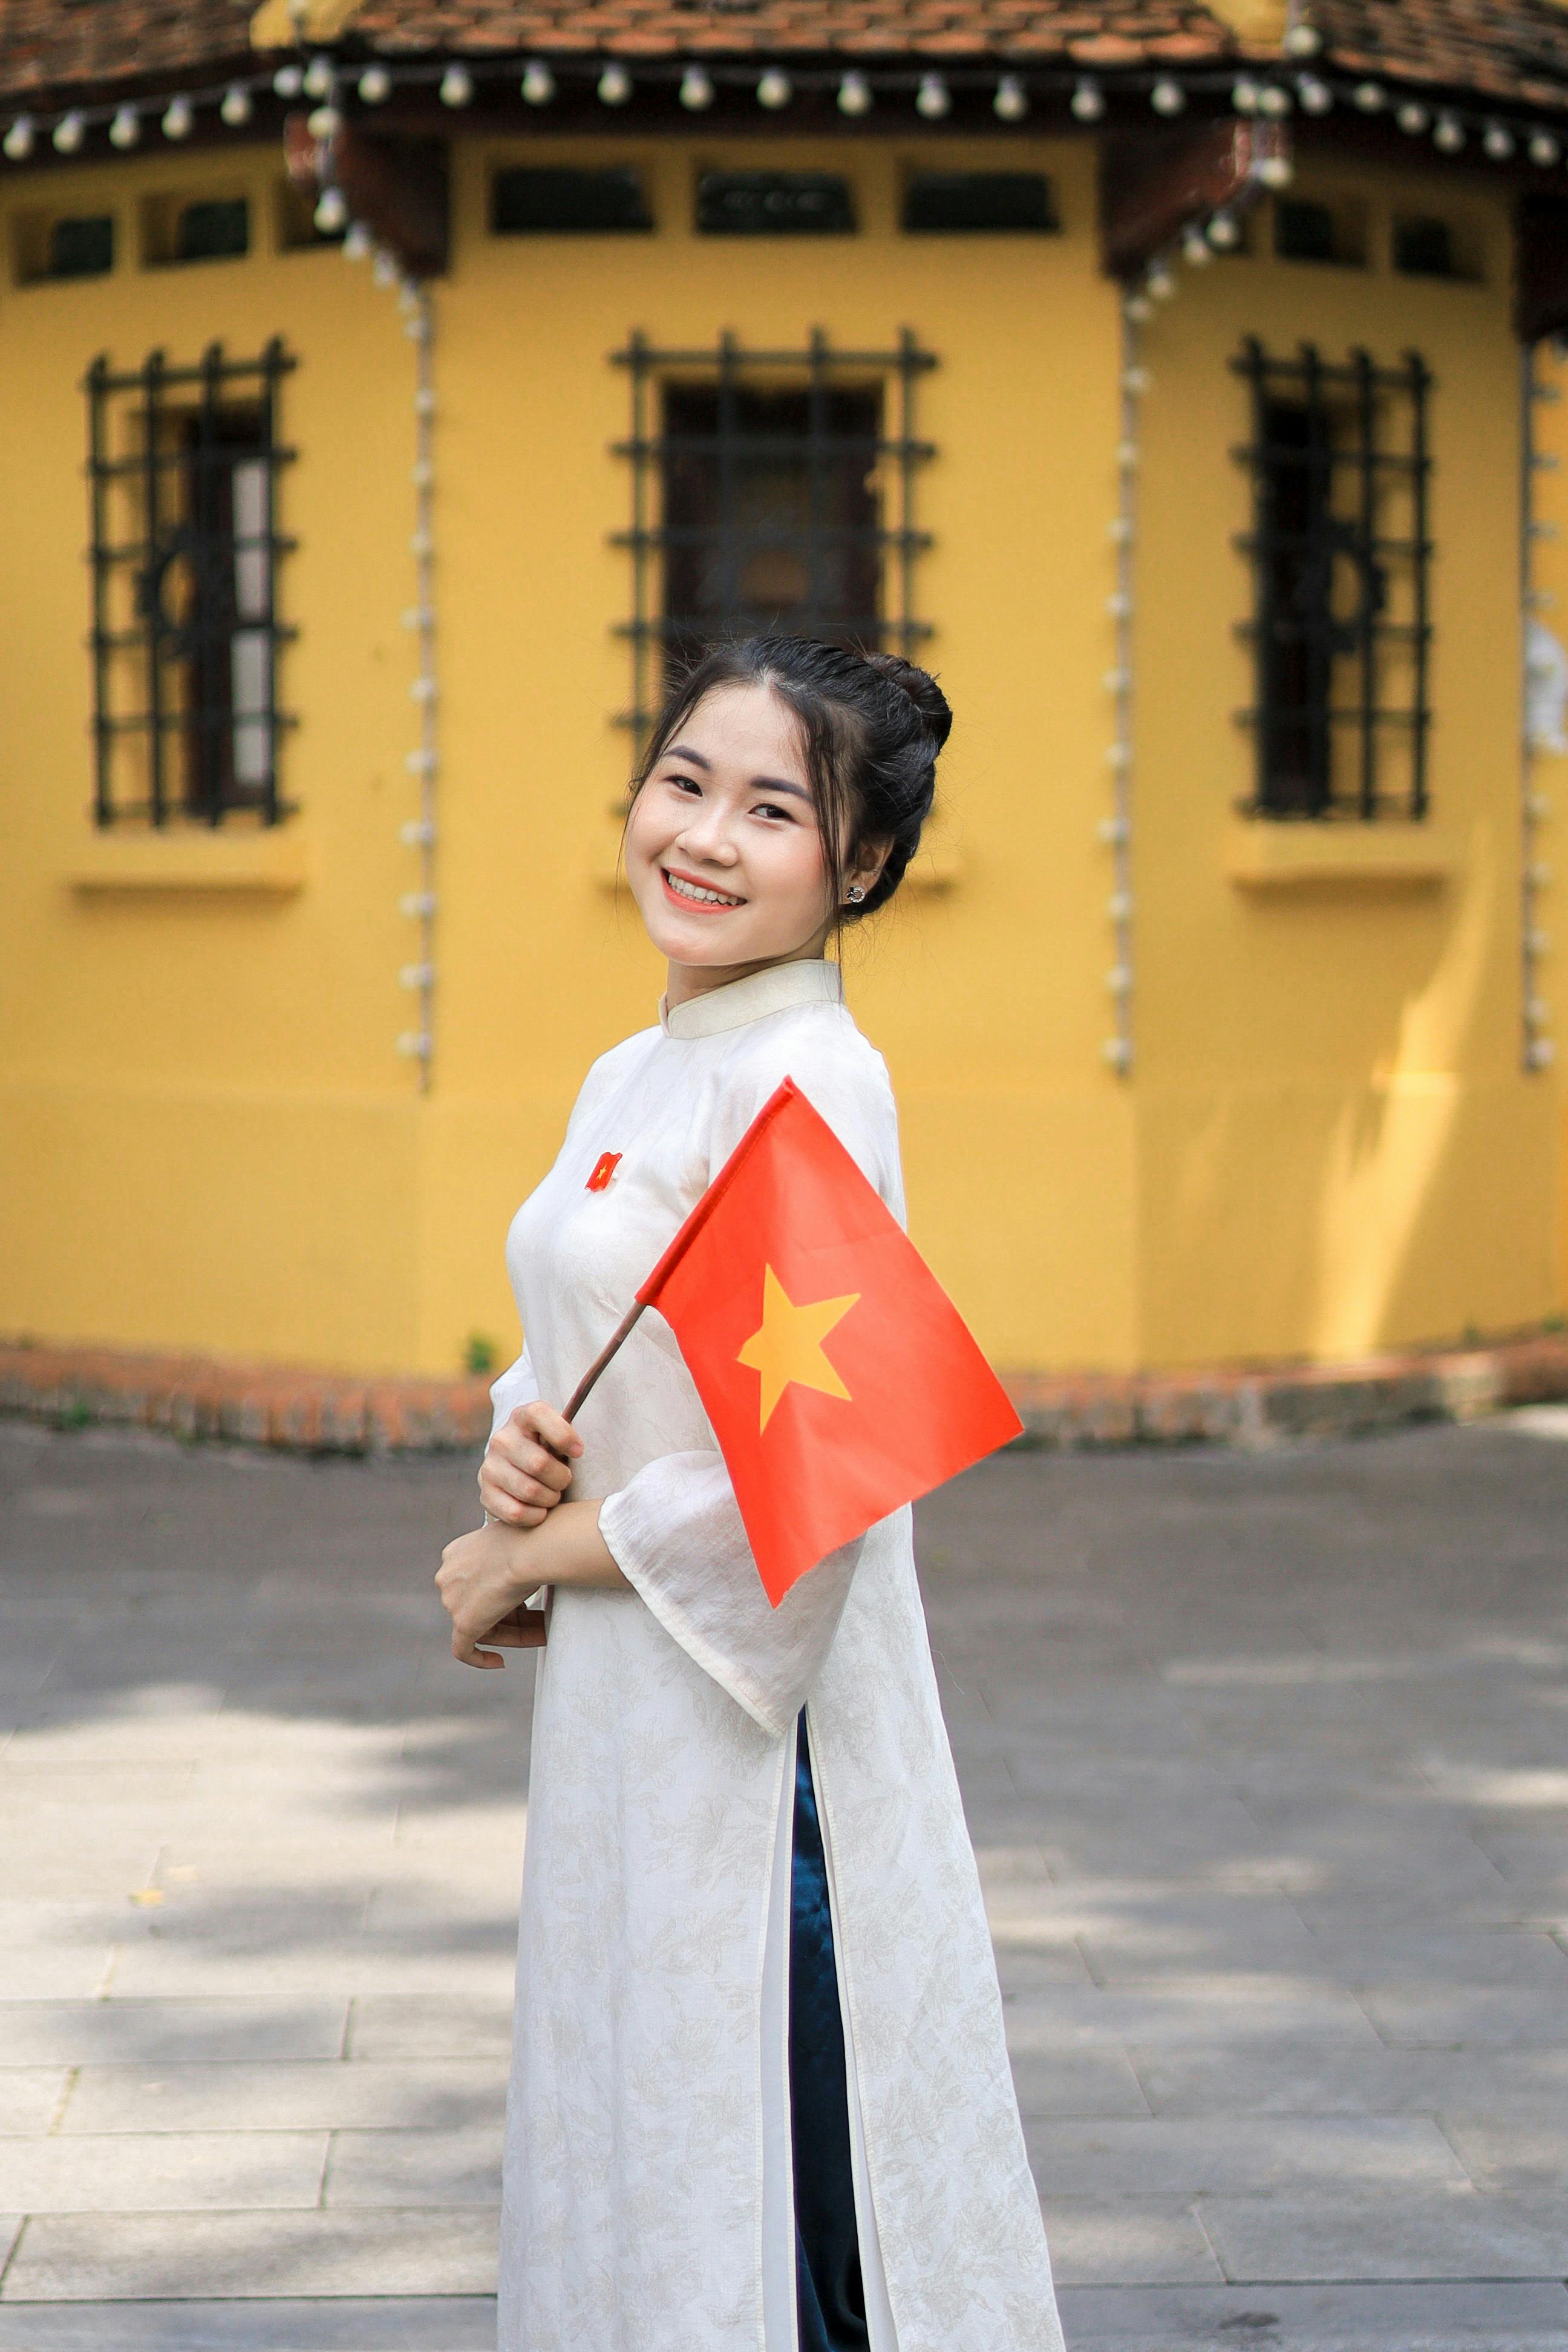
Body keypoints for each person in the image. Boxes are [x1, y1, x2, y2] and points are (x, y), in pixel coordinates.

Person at [436, 637, 1065, 2352]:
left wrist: (527, 1560)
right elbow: (597, 1332)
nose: (703, 835)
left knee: (773, 2146)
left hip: (759, 1747)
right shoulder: (633, 1072)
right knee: (642, 2104)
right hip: (633, 1715)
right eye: (685, 782)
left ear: (858, 867)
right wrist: (517, 1438)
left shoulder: (810, 1077)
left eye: (772, 808)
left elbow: (826, 1473)